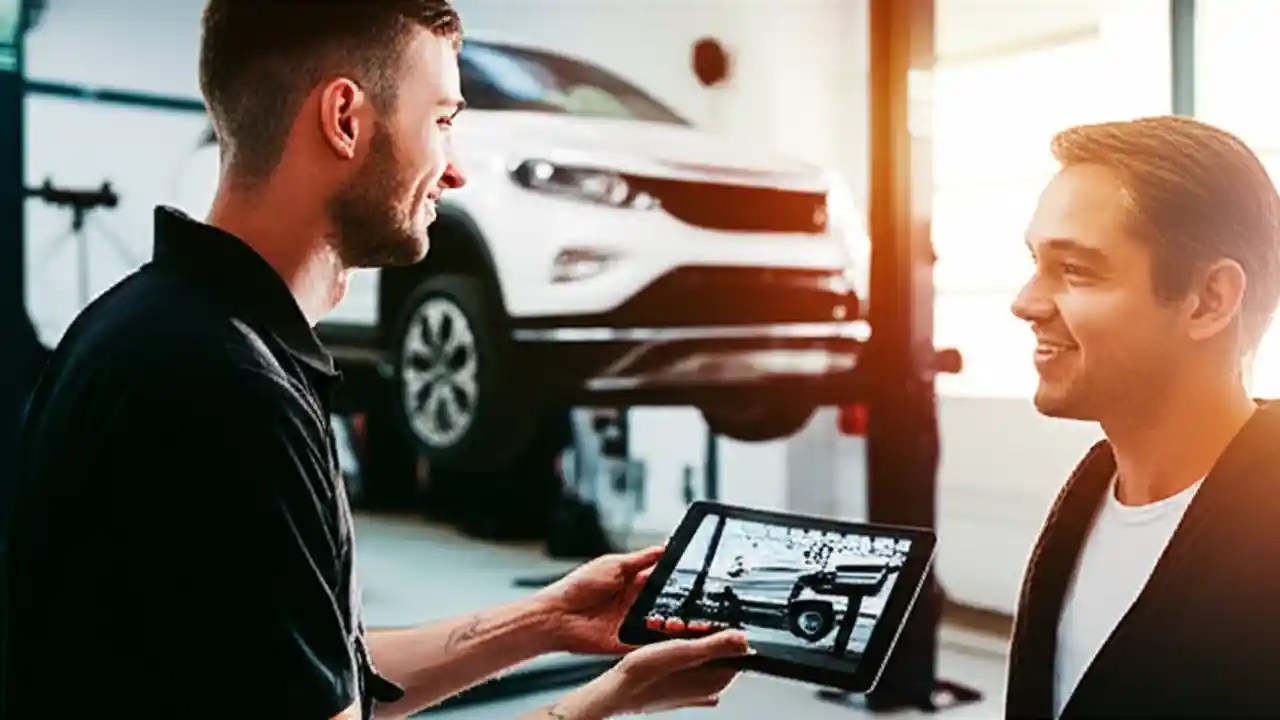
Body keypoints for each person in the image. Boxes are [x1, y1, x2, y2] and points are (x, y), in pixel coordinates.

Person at [0, 2, 751, 718]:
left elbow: (321, 675)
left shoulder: (156, 326)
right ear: (345, 119)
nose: (454, 171)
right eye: (443, 122)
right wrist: (609, 700)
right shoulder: (227, 392)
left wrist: (548, 618)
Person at [1005, 114, 1280, 718]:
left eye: (1075, 270)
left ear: (1209, 300)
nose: (1024, 302)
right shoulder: (1088, 492)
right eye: (1036, 262)